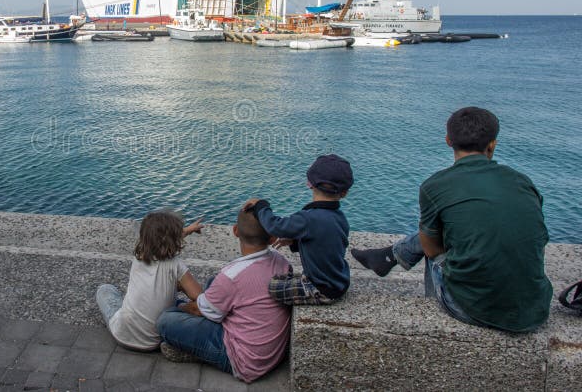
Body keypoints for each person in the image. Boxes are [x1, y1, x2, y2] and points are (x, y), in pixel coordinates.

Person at [351, 106, 553, 333]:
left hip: (473, 308)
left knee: (434, 237)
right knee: (458, 227)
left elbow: (431, 249)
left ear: (448, 141)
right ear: (493, 144)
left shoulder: (434, 186)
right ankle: (388, 257)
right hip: (535, 306)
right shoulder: (522, 182)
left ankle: (427, 314)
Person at [156, 204, 291, 383]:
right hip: (272, 352)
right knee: (214, 283)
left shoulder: (232, 276)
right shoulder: (281, 262)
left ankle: (196, 352)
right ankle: (208, 311)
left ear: (235, 231)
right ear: (272, 237)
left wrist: (180, 307)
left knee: (165, 320)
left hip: (244, 361)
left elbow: (196, 310)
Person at [252, 154, 354, 305]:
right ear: (344, 193)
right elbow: (324, 243)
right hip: (340, 281)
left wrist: (261, 207)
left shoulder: (307, 218)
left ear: (309, 183)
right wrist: (295, 241)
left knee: (270, 286)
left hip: (321, 289)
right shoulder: (340, 217)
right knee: (282, 275)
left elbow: (275, 226)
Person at [96, 209, 204, 350]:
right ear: (174, 239)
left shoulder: (140, 254)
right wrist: (182, 307)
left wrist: (187, 231)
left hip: (122, 334)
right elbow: (203, 302)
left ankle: (128, 309)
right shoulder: (176, 265)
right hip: (153, 342)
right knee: (179, 299)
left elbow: (159, 239)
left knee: (105, 289)